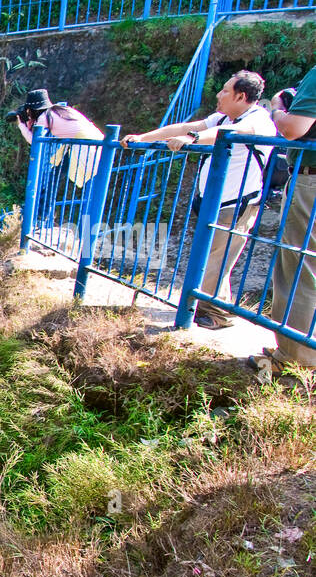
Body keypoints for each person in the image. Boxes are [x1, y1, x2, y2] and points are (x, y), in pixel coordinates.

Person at [122, 70, 277, 330]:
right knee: (209, 255)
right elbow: (186, 127)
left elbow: (228, 133)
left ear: (241, 96)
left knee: (218, 257)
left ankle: (218, 314)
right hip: (217, 202)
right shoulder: (223, 116)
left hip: (238, 203)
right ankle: (205, 308)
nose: (219, 94)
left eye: (225, 90)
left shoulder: (258, 120)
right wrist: (143, 138)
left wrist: (191, 139)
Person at [266, 65, 316, 367]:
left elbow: (293, 128)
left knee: (301, 267)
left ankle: (296, 362)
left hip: (312, 179)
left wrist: (277, 108)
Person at [13, 89, 104, 253]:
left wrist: (21, 126)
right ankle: (42, 217)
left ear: (30, 110)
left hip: (85, 148)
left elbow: (36, 142)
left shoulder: (43, 118)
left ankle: (40, 220)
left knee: (55, 181)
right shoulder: (61, 111)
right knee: (54, 176)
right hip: (97, 144)